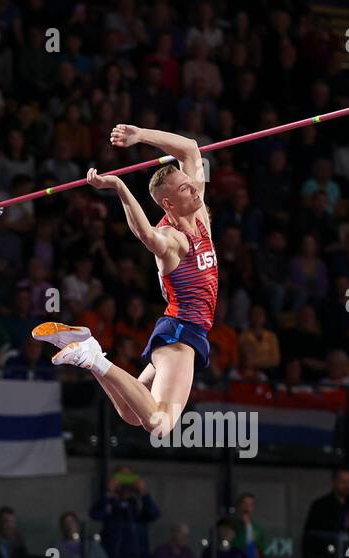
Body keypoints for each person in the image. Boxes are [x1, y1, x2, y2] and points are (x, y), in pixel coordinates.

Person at [35, 120, 217, 442]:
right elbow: (146, 235)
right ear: (169, 204)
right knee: (160, 423)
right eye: (185, 188)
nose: (193, 187)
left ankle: (92, 357)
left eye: (190, 182)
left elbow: (189, 148)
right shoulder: (172, 239)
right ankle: (90, 355)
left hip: (182, 330)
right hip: (182, 334)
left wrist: (141, 136)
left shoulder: (199, 215)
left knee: (132, 414)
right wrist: (119, 187)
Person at [301, 469, 349, 558]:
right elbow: (309, 533)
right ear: (334, 482)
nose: (346, 485)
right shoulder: (320, 505)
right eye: (342, 481)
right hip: (328, 556)